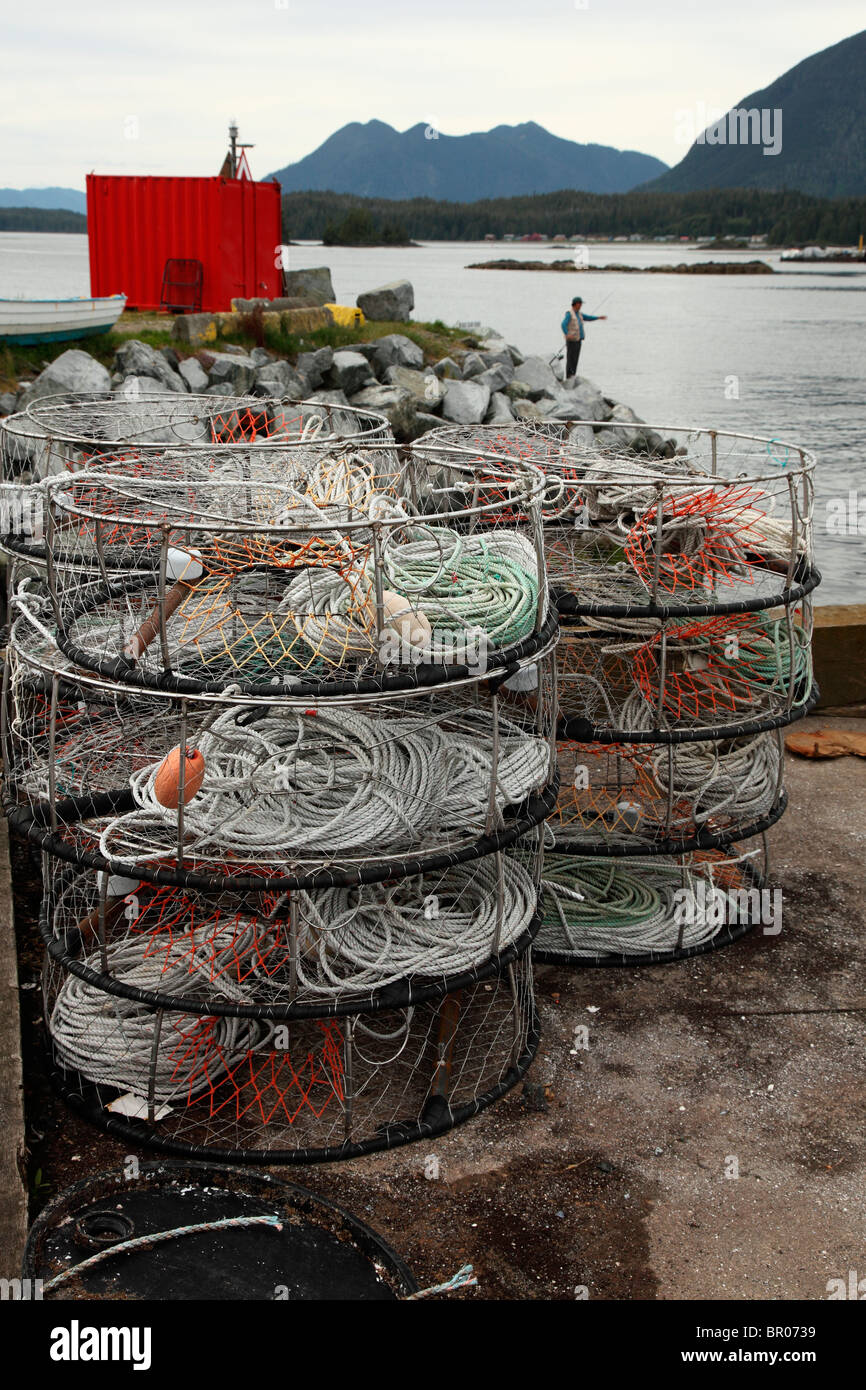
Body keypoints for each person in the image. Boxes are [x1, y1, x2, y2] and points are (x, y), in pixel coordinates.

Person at [561, 296, 607, 379]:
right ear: (576, 304)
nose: (581, 305)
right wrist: (567, 334)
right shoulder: (569, 314)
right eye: (580, 303)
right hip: (571, 340)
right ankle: (569, 376)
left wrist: (598, 318)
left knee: (575, 359)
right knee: (571, 358)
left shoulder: (579, 314)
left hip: (578, 340)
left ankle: (573, 375)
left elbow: (588, 318)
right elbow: (563, 324)